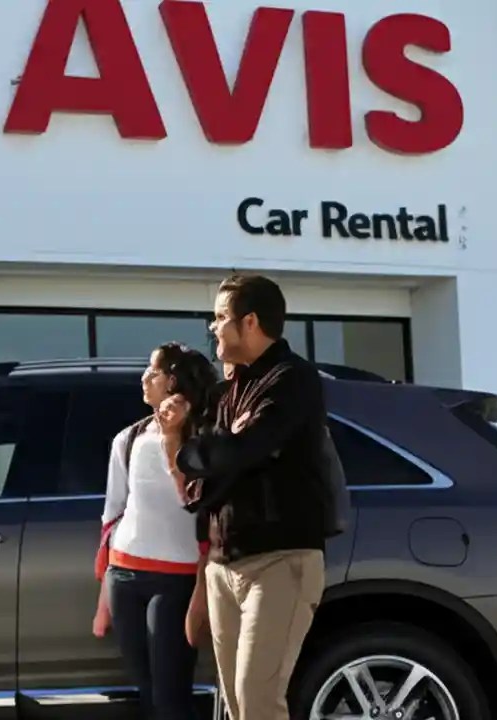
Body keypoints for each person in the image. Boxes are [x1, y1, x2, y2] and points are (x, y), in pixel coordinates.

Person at [158, 274, 331, 720]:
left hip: (279, 562)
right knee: (236, 707)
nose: (212, 328)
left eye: (219, 318)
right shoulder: (224, 394)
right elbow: (199, 488)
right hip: (222, 567)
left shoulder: (292, 380)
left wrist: (199, 448)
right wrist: (180, 441)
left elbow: (240, 449)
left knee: (257, 703)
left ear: (249, 322)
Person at [92, 341, 219, 720]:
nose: (145, 378)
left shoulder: (205, 438)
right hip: (124, 576)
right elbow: (113, 514)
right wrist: (104, 595)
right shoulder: (128, 439)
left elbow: (191, 499)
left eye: (154, 372)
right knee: (146, 693)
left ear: (175, 382)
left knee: (171, 696)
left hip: (176, 580)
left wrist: (172, 437)